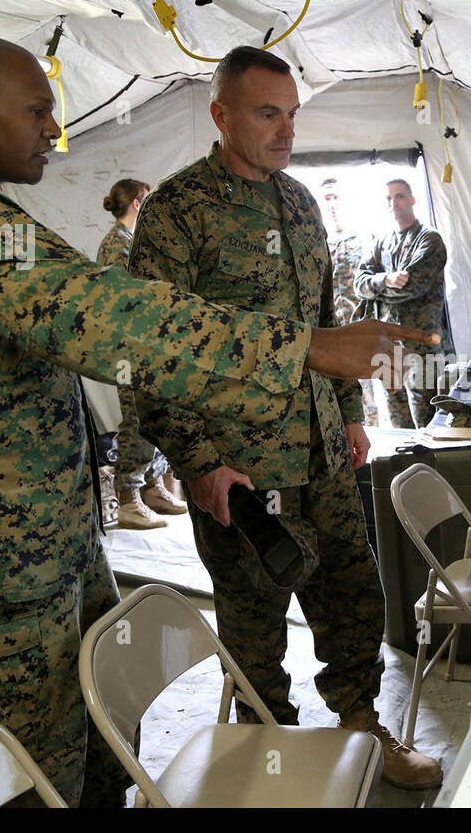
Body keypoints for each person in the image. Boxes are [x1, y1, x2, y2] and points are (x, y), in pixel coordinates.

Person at [0, 31, 434, 806]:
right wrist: (302, 353)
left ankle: (352, 729)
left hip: (42, 541)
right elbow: (111, 319)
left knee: (93, 752)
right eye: (37, 110)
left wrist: (336, 390)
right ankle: (268, 763)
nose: (53, 130)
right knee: (34, 777)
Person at [127, 45, 444, 789]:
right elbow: (152, 353)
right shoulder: (178, 211)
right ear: (222, 114)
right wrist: (198, 461)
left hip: (324, 456)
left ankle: (363, 730)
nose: (285, 130)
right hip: (239, 468)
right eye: (268, 113)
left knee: (352, 599)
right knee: (253, 629)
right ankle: (267, 758)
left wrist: (351, 413)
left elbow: (328, 325)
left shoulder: (300, 204)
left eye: (292, 115)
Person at [95, 178, 186, 529]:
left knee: (155, 416)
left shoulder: (133, 241)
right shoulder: (116, 244)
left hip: (148, 346)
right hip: (131, 348)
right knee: (137, 421)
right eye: (146, 200)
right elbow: (125, 299)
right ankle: (129, 496)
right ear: (137, 203)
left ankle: (152, 486)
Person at [354, 179, 450, 428]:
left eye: (400, 196)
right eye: (389, 198)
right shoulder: (381, 242)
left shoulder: (429, 240)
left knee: (429, 423)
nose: (394, 202)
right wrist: (386, 279)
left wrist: (376, 288)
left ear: (412, 199)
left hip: (421, 347)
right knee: (398, 425)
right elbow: (358, 284)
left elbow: (413, 286)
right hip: (387, 347)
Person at [320, 177, 379, 426]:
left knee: (374, 399)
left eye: (336, 198)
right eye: (327, 200)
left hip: (363, 336)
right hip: (333, 339)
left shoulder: (368, 240)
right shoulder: (320, 244)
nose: (332, 205)